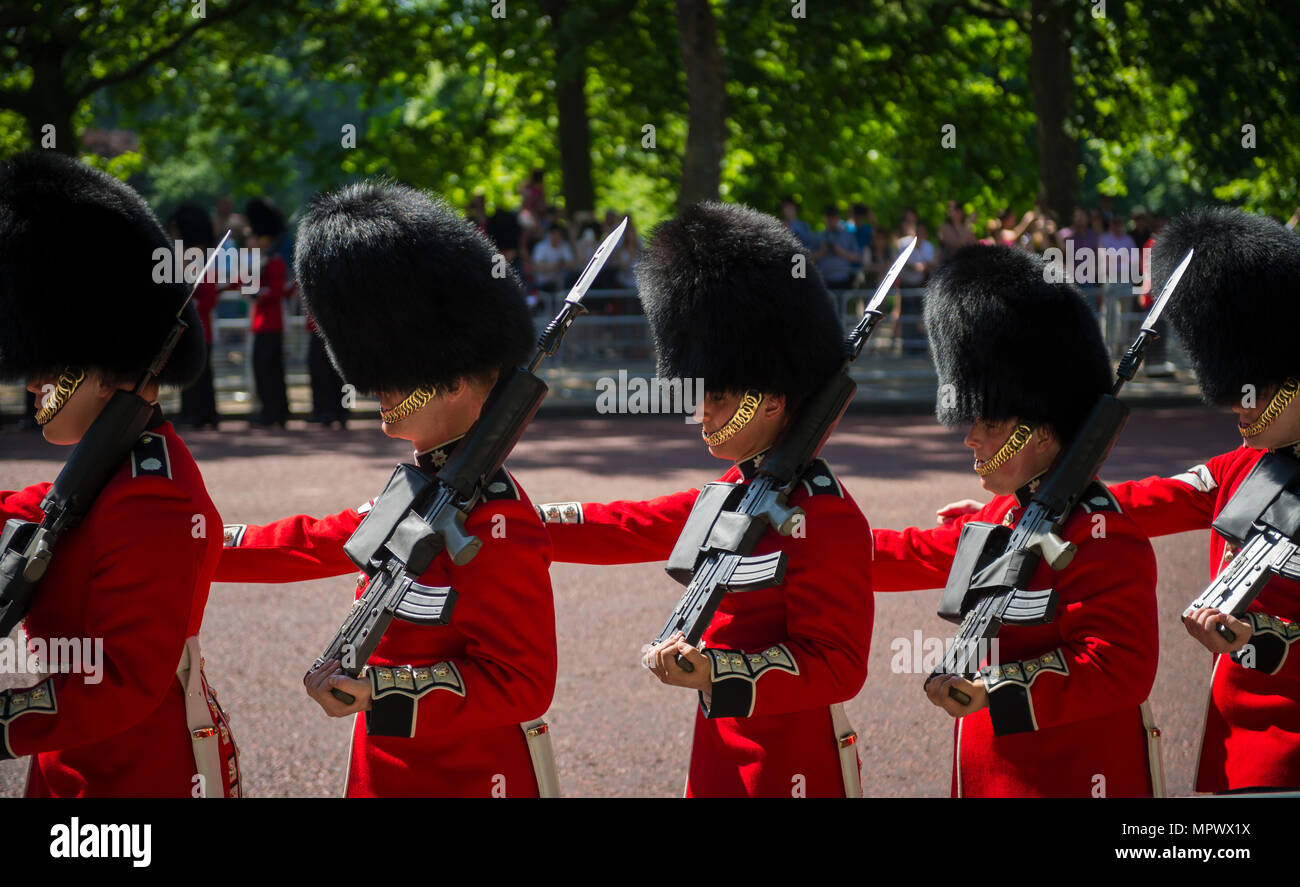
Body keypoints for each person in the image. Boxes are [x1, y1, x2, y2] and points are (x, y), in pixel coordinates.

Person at [215, 182, 558, 797]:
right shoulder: (421, 485)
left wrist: (382, 690)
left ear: (454, 379)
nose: (381, 387)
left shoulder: (497, 521)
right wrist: (189, 546)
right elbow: (308, 541)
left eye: (399, 372)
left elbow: (523, 682)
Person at [536, 202, 873, 797]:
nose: (703, 411)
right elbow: (625, 525)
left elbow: (837, 665)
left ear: (770, 399)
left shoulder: (825, 514)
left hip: (794, 764)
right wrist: (512, 519)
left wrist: (721, 670)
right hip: (717, 751)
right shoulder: (729, 494)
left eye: (718, 396)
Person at [871, 245, 1161, 798]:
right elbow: (903, 553)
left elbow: (1121, 667)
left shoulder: (1101, 532)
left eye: (989, 422)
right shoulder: (1002, 516)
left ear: (1043, 431)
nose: (970, 437)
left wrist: (997, 688)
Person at [0, 151, 239, 797]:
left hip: (142, 776)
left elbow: (122, 683)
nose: (32, 380)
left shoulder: (151, 499)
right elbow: (28, 510)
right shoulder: (104, 470)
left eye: (51, 363)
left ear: (106, 367)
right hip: (65, 759)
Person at [1105, 208, 1300, 792]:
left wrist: (1267, 635)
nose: (1239, 402)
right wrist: (1011, 512)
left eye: (1257, 387)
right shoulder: (1242, 466)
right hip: (1234, 748)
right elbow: (1142, 500)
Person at [169, 202, 221, 430]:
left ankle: (204, 414)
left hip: (201, 327)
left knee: (201, 374)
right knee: (188, 373)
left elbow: (209, 299)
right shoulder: (183, 261)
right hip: (185, 327)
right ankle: (192, 412)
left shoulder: (204, 263)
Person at [245, 197, 291, 427]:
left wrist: (259, 293)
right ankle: (272, 410)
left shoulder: (274, 262)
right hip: (262, 323)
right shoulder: (260, 261)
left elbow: (276, 291)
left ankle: (275, 411)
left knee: (269, 369)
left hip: (272, 323)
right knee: (264, 369)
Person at [811, 204, 859, 289]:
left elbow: (857, 257)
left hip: (844, 280)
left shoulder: (848, 236)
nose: (831, 220)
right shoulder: (818, 237)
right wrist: (822, 252)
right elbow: (809, 257)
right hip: (823, 280)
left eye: (834, 217)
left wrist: (840, 251)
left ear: (838, 218)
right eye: (829, 217)